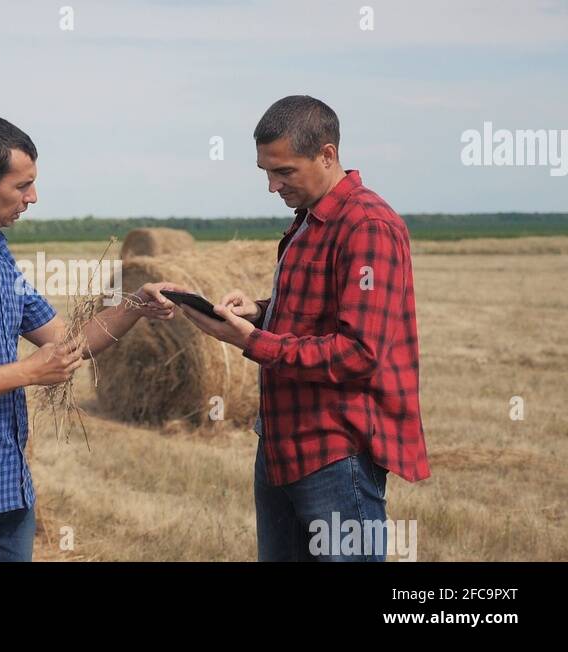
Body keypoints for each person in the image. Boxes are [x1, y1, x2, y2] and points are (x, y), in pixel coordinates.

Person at [0, 115, 178, 562]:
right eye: (22, 185)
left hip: (9, 490)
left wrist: (134, 304)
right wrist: (28, 371)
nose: (33, 197)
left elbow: (70, 341)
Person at [180, 96, 430, 561]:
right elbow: (317, 310)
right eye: (265, 173)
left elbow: (359, 351)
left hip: (337, 450)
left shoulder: (368, 225)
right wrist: (258, 312)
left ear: (327, 155)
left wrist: (254, 342)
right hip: (281, 439)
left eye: (284, 172)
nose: (272, 186)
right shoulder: (309, 223)